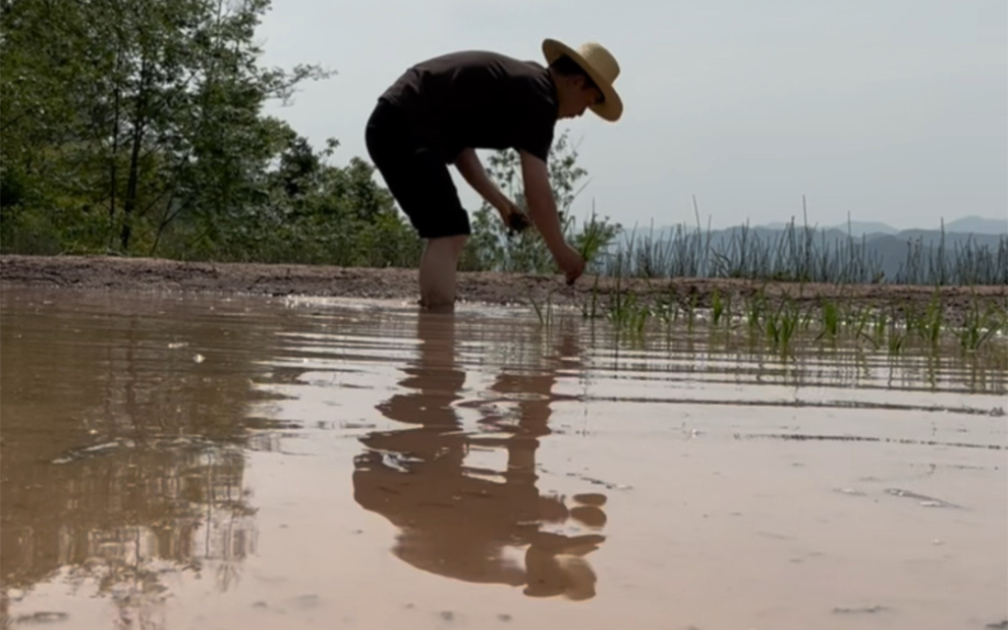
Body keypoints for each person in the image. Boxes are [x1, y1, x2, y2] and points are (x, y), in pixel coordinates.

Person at [364, 38, 624, 310]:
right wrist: (561, 252)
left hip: (394, 122)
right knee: (449, 232)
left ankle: (432, 323)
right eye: (589, 101)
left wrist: (502, 205)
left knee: (448, 229)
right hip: (401, 126)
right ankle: (436, 334)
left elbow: (461, 150)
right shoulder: (541, 99)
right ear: (577, 83)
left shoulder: (527, 84)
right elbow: (538, 194)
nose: (582, 113)